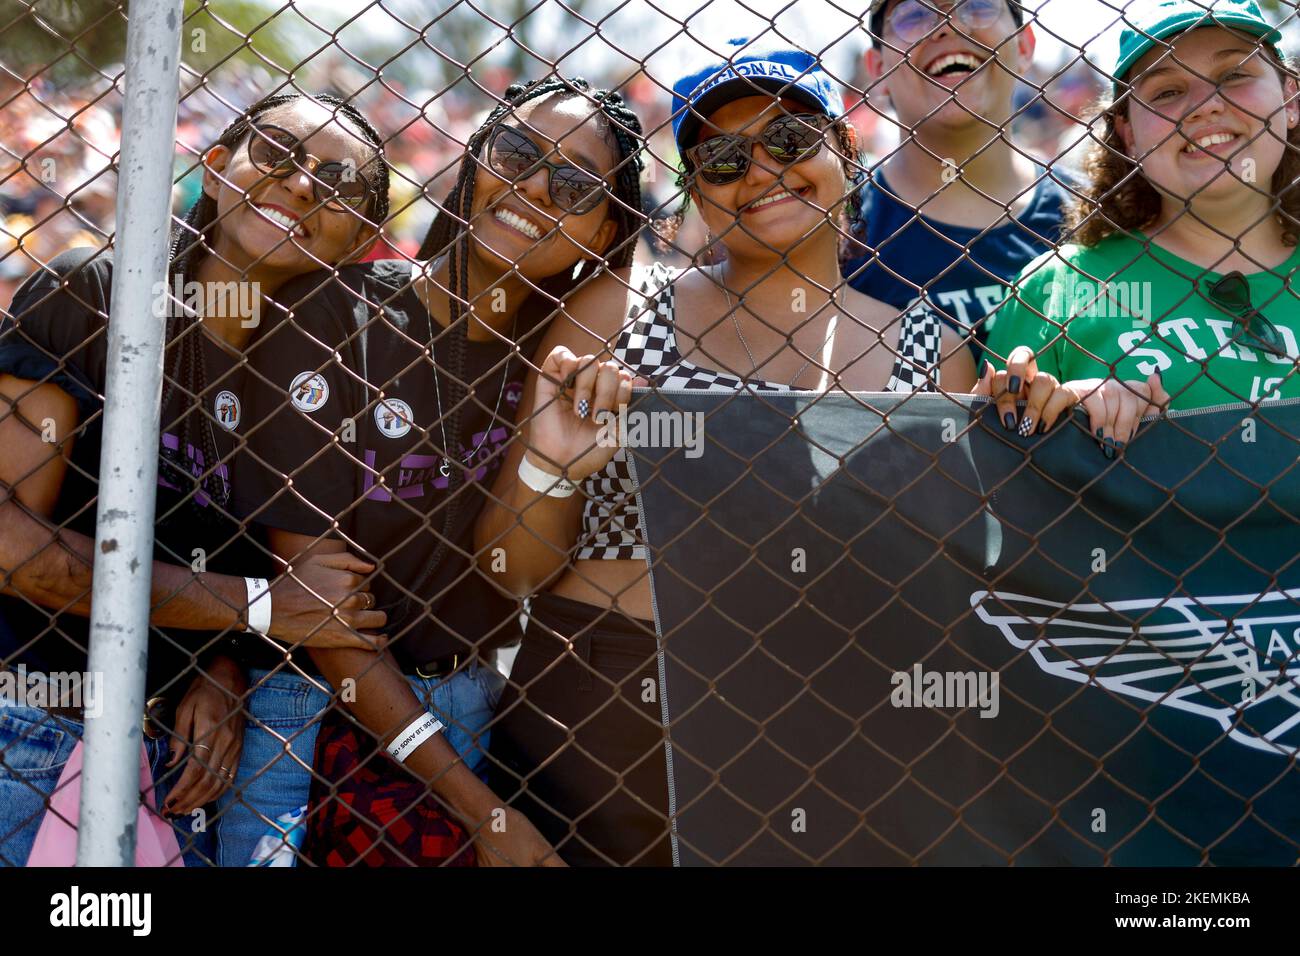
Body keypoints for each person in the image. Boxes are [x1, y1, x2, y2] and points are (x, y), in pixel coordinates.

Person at [477, 42, 980, 866]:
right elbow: (511, 568)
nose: (760, 172)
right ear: (696, 191)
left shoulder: (930, 348)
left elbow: (941, 588)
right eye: (719, 158)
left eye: (790, 141)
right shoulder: (621, 309)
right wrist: (553, 469)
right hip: (610, 694)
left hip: (825, 707)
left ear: (845, 155)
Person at [227, 76, 648, 866]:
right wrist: (483, 813)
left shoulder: (565, 362)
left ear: (604, 231)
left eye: (575, 184)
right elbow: (322, 615)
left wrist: (551, 467)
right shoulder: (330, 317)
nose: (532, 187)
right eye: (517, 152)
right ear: (474, 157)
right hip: (303, 716)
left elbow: (516, 572)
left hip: (470, 705)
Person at [0, 91, 389, 867]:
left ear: (363, 240)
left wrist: (220, 664)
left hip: (176, 768)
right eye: (277, 153)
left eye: (339, 183)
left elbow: (211, 554)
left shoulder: (327, 383)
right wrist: (259, 609)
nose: (304, 184)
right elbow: (12, 546)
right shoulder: (94, 297)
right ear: (214, 170)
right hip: (30, 726)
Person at [985, 0, 1300, 450]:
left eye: (1234, 75)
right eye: (1167, 92)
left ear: (1290, 100)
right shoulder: (1058, 288)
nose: (1206, 106)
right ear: (1128, 133)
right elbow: (994, 485)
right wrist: (1065, 419)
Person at [845, 0, 1072, 353]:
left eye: (977, 5)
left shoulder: (1102, 214)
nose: (946, 26)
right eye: (912, 14)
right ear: (878, 69)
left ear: (1024, 45)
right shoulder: (840, 235)